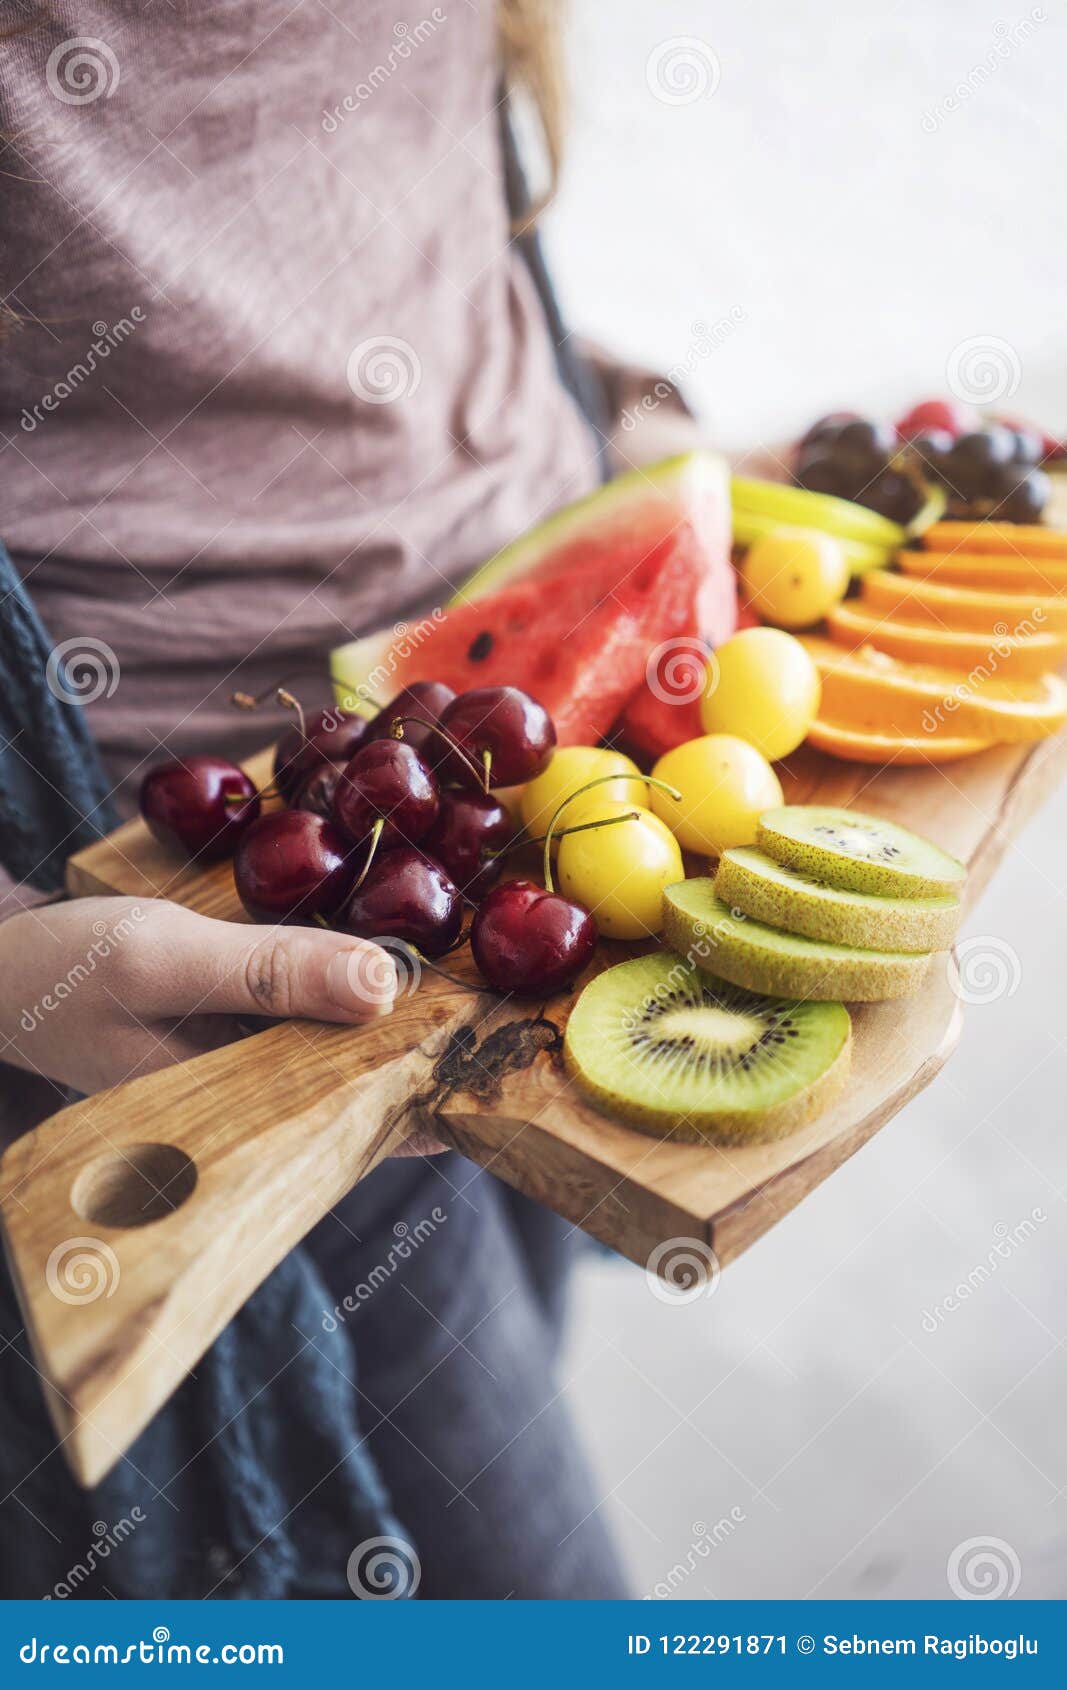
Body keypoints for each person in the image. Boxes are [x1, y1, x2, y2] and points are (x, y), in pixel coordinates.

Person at [0, 1, 643, 1599]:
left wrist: (626, 429)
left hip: (578, 796)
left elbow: (365, 200)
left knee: (531, 1318)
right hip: (200, 951)